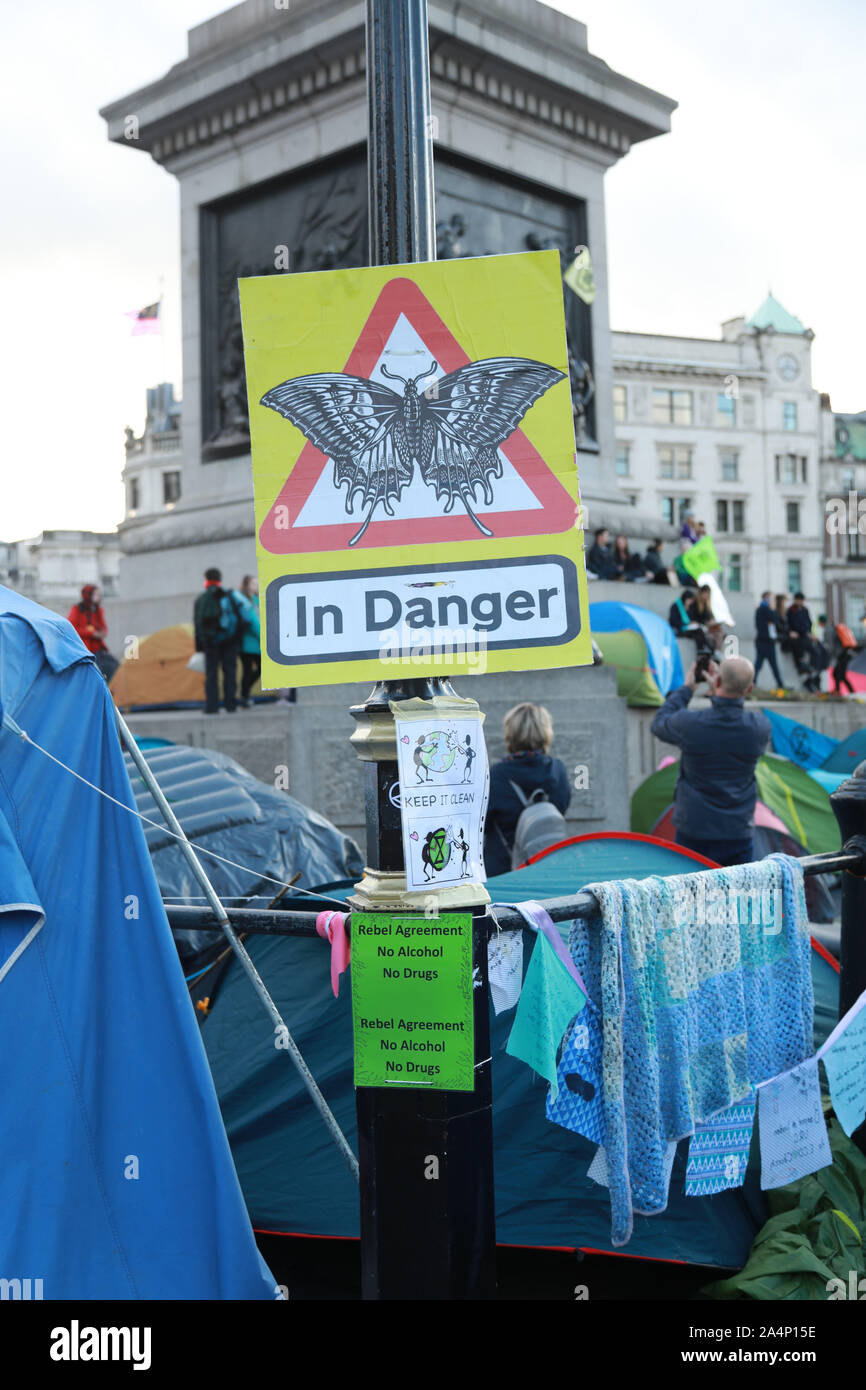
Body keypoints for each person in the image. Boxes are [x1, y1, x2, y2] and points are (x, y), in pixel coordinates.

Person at [650, 656, 771, 867]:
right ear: (749, 688)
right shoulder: (759, 727)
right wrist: (723, 689)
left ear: (716, 682)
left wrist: (687, 688)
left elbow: (659, 722)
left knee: (692, 895)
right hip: (737, 830)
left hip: (694, 829)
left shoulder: (692, 724)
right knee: (734, 897)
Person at [484, 702, 571, 877]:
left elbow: (482, 824)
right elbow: (561, 807)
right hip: (545, 867)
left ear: (510, 734)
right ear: (545, 733)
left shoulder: (495, 776)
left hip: (504, 871)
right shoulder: (557, 769)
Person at [193, 567, 240, 714]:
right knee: (230, 672)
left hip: (210, 642)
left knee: (211, 674)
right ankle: (230, 705)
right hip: (229, 640)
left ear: (206, 579)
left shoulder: (201, 599)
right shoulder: (228, 595)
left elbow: (197, 623)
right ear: (220, 579)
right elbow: (238, 618)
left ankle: (212, 706)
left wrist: (200, 645)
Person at [67, 584, 117, 682]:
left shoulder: (98, 610)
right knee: (96, 674)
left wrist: (101, 633)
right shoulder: (77, 609)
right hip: (85, 649)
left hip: (98, 649)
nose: (98, 597)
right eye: (96, 595)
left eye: (99, 595)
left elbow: (104, 628)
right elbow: (71, 628)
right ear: (88, 595)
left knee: (114, 667)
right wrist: (91, 633)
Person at [231, 574, 261, 707]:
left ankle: (245, 694)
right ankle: (244, 695)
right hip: (249, 643)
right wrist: (264, 638)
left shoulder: (253, 599)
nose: (256, 586)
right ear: (247, 585)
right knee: (251, 670)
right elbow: (254, 623)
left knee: (250, 671)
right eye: (254, 584)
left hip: (250, 643)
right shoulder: (244, 600)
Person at [753, 591, 785, 688]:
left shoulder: (764, 609)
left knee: (771, 665)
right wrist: (772, 607)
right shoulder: (763, 609)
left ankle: (780, 684)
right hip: (764, 641)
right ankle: (752, 682)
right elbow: (773, 618)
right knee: (759, 664)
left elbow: (775, 621)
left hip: (768, 641)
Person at [786, 592, 814, 685]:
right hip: (796, 635)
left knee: (815, 649)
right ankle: (801, 665)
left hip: (805, 634)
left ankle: (813, 669)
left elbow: (809, 622)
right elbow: (789, 623)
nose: (799, 602)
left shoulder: (805, 610)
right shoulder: (791, 610)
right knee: (798, 646)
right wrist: (791, 632)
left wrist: (809, 632)